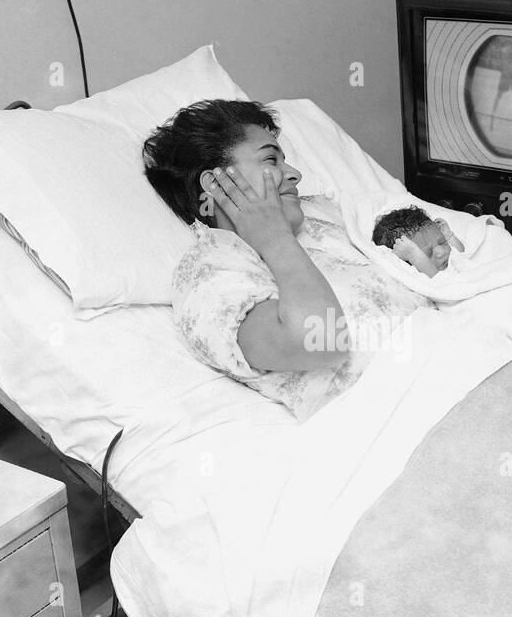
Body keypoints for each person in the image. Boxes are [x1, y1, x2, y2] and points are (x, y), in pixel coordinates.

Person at [143, 99, 429, 419]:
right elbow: (319, 342)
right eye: (271, 160)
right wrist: (274, 238)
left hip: (468, 356)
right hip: (408, 414)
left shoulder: (319, 219)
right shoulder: (209, 273)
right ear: (215, 182)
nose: (294, 174)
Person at [371, 205, 464, 278]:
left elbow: (462, 255)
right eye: (428, 253)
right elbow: (437, 283)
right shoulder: (421, 276)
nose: (441, 253)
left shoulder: (448, 261)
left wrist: (449, 235)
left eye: (442, 242)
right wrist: (414, 256)